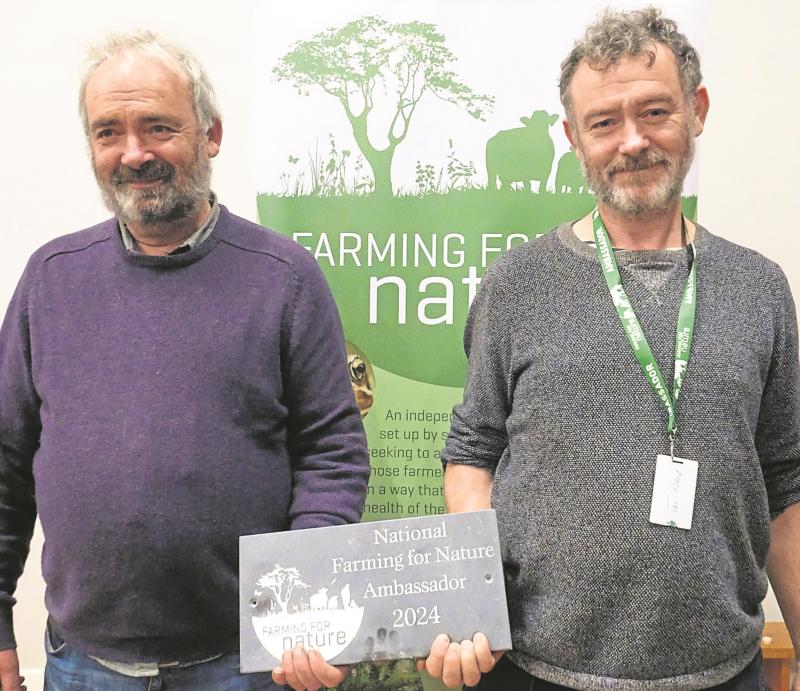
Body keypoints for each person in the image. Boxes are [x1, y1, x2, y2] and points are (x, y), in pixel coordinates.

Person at [422, 7, 800, 690]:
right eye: (603, 123)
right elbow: (472, 453)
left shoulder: (761, 288)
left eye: (655, 111)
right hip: (536, 670)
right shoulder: (517, 283)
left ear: (697, 110)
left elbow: (786, 483)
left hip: (723, 673)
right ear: (572, 137)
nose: (632, 141)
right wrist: (468, 604)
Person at [0, 31, 370, 691]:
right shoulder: (50, 279)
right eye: (107, 132)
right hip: (82, 667)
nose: (133, 153)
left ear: (211, 134)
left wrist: (304, 613)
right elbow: (5, 463)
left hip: (244, 665)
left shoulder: (284, 277)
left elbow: (331, 452)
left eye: (158, 127)